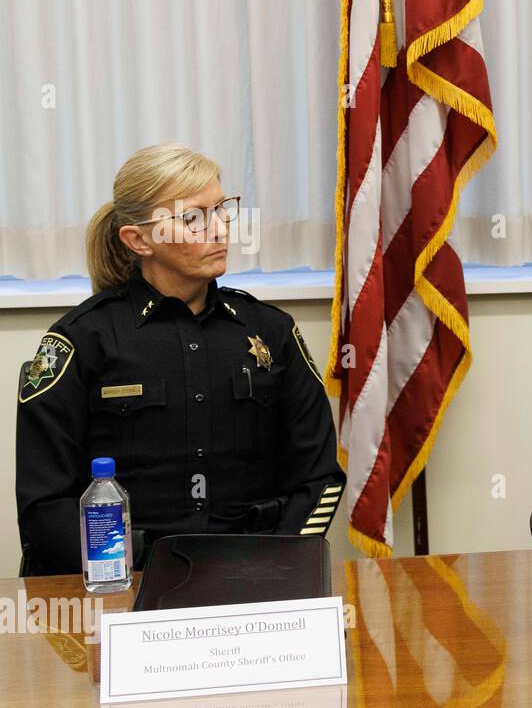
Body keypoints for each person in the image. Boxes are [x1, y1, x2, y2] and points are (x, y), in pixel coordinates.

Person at [16, 144, 345, 575]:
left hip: (255, 577)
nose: (220, 229)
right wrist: (147, 567)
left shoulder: (270, 331)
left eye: (222, 209)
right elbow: (45, 505)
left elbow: (318, 478)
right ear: (139, 240)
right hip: (122, 582)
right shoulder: (82, 340)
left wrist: (274, 564)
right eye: (193, 218)